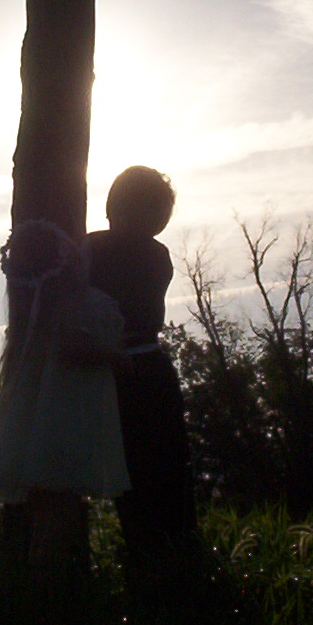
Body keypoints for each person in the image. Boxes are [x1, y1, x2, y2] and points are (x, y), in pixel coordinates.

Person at [0, 219, 130, 564]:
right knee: (59, 510)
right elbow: (82, 349)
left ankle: (41, 575)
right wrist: (118, 357)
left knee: (46, 513)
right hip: (65, 422)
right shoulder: (81, 309)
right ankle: (51, 580)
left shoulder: (26, 327)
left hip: (33, 429)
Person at [86, 166, 198, 561]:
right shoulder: (131, 251)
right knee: (148, 468)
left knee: (156, 466)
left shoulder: (115, 251)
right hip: (133, 371)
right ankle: (163, 553)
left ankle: (165, 552)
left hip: (139, 369)